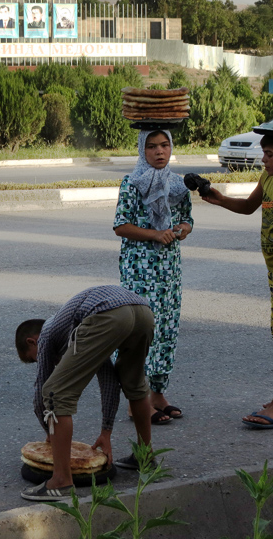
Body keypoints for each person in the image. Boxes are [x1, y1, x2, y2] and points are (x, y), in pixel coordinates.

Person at [202, 131, 273, 429]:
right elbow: (249, 207)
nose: (263, 160)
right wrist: (220, 200)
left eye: (269, 155)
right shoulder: (268, 181)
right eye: (263, 153)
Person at [15, 285, 155, 501]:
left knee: (56, 392)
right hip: (142, 312)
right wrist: (105, 432)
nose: (41, 360)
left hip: (109, 313)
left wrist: (50, 434)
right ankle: (145, 457)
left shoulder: (47, 335)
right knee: (135, 385)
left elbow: (43, 391)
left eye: (34, 358)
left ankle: (61, 481)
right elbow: (109, 379)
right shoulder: (75, 329)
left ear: (32, 342)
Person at [113, 130, 193, 425]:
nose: (160, 151)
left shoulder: (177, 184)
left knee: (166, 330)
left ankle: (158, 395)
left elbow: (187, 218)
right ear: (141, 149)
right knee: (141, 333)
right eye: (152, 146)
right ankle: (138, 402)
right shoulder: (132, 183)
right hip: (140, 270)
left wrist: (182, 229)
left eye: (165, 144)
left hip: (169, 271)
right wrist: (155, 234)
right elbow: (121, 225)